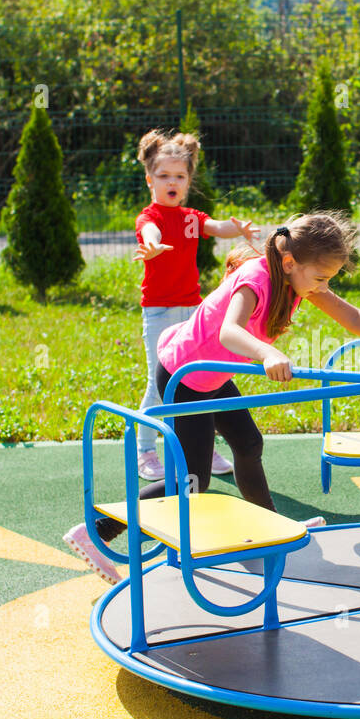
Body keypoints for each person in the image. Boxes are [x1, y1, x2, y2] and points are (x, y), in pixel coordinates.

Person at [64, 212, 360, 584]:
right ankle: (94, 532)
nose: (323, 286)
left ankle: (269, 527)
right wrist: (267, 353)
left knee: (248, 442)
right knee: (192, 481)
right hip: (185, 375)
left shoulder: (298, 279)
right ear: (289, 262)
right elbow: (230, 331)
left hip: (212, 374)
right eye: (321, 278)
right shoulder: (256, 279)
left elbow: (353, 317)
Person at [132, 128, 258, 482]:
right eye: (164, 176)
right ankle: (146, 450)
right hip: (160, 311)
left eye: (179, 176)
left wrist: (238, 229)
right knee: (159, 383)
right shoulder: (150, 218)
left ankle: (203, 446)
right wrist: (154, 246)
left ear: (188, 181)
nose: (172, 182)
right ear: (149, 180)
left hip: (194, 312)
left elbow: (214, 226)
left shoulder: (190, 217)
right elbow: (150, 234)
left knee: (202, 379)